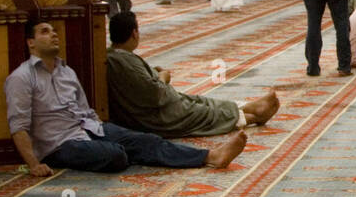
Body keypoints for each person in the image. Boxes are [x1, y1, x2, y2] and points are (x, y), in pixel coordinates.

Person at [6, 19, 245, 175]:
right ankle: (131, 152)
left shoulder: (66, 72)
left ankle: (211, 156)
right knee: (115, 154)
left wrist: (98, 127)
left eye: (54, 31)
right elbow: (18, 126)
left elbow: (85, 109)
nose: (54, 35)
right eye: (45, 32)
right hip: (58, 145)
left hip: (89, 129)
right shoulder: (22, 78)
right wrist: (34, 164)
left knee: (148, 140)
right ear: (31, 42)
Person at [106, 12, 279, 136]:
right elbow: (154, 94)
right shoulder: (123, 62)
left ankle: (254, 108)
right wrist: (163, 77)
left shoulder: (116, 56)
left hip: (164, 106)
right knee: (206, 114)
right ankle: (254, 116)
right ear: (134, 33)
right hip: (160, 116)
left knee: (204, 102)